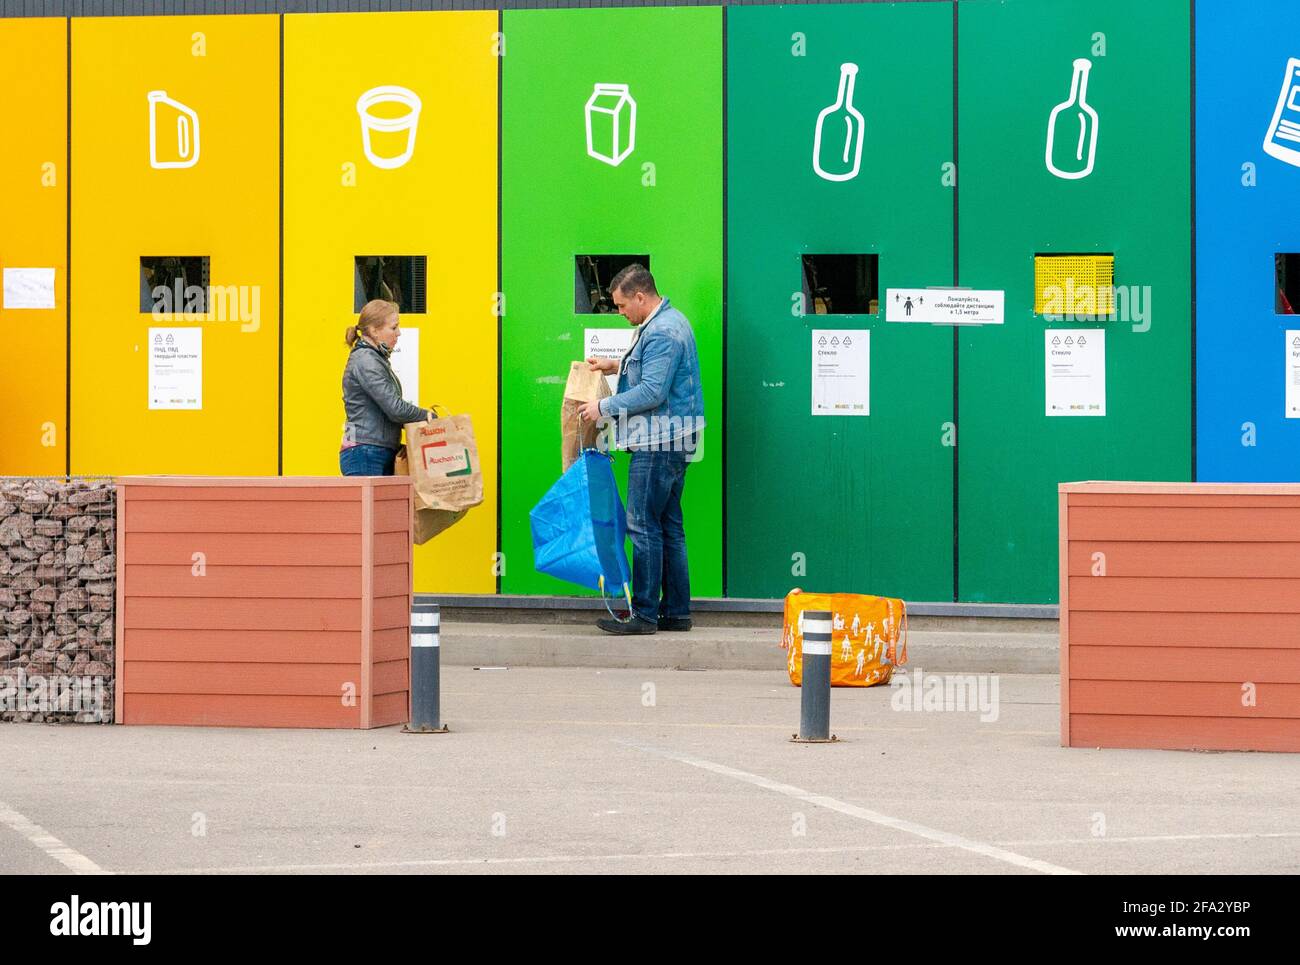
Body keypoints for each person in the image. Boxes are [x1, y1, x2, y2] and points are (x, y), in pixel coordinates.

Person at [579, 264, 705, 635]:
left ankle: (645, 614)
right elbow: (654, 369)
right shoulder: (665, 321)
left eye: (621, 306)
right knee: (668, 526)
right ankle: (677, 612)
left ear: (639, 296)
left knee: (642, 525)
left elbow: (653, 391)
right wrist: (614, 365)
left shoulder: (663, 331)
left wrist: (601, 407)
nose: (619, 313)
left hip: (659, 440)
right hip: (674, 437)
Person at [340, 299, 433, 476]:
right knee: (370, 504)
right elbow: (394, 408)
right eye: (393, 328)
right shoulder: (366, 360)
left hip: (373, 450)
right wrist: (427, 416)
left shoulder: (373, 358)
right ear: (374, 330)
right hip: (366, 452)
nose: (398, 333)